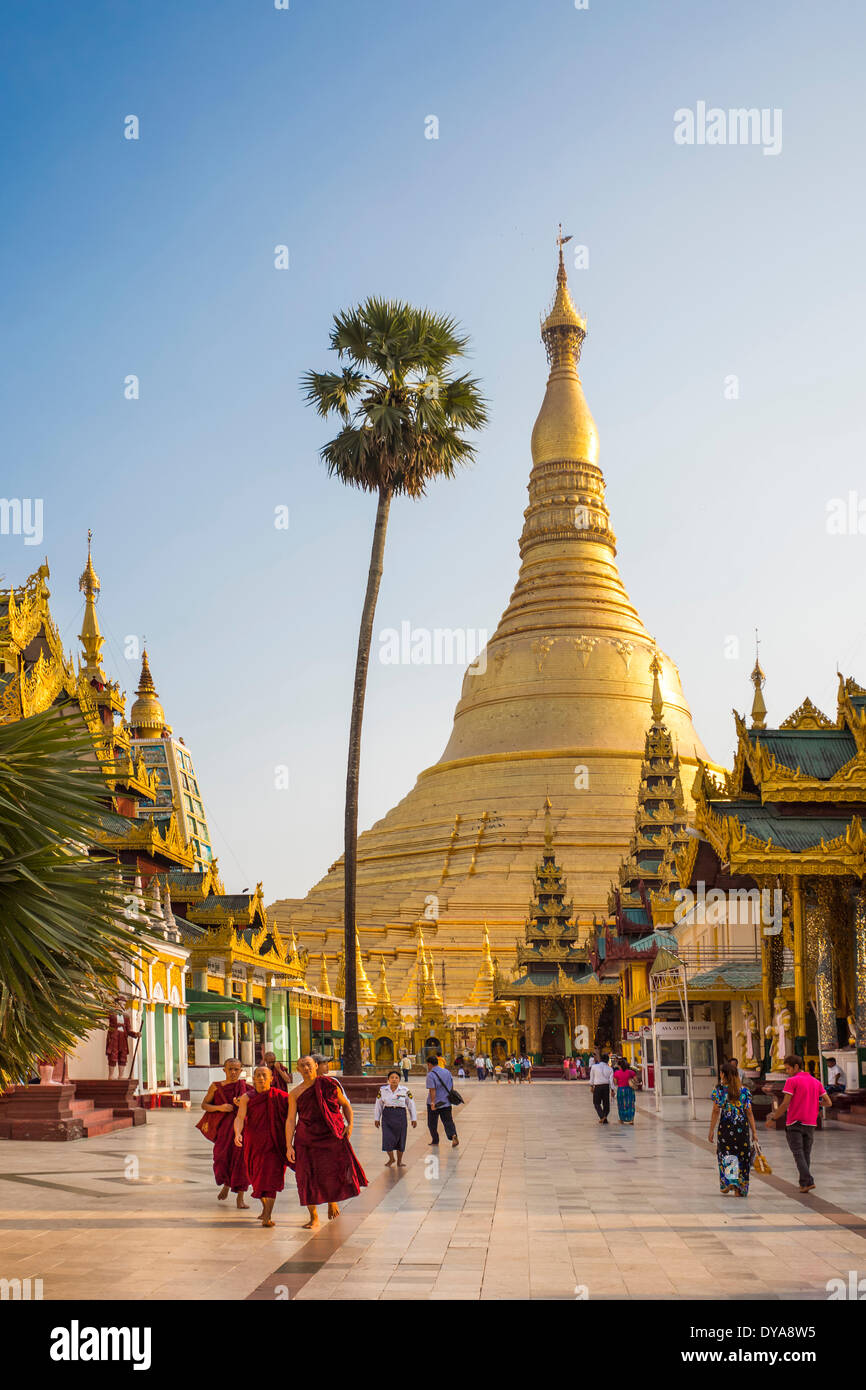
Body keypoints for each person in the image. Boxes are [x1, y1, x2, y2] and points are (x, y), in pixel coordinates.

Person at [286, 1054, 368, 1228]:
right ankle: (314, 1217)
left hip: (331, 1135)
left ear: (316, 1066)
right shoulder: (294, 1093)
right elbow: (291, 1120)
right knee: (305, 1176)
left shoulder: (329, 1084)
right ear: (298, 1070)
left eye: (308, 1064)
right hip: (306, 1139)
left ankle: (332, 1200)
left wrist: (350, 1125)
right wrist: (288, 1145)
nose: (306, 1068)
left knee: (332, 1171)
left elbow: (345, 1105)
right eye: (302, 1066)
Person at [233, 1065, 290, 1227]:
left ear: (272, 1079)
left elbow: (293, 1116)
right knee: (256, 1179)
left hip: (274, 1144)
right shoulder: (247, 1097)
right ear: (253, 1078)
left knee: (270, 1179)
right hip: (254, 1144)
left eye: (264, 1075)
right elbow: (239, 1117)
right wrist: (237, 1133)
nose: (261, 1078)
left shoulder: (281, 1097)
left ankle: (268, 1215)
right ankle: (265, 1209)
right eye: (257, 1075)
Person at [769, 1053, 832, 1193]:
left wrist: (774, 1118)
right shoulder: (816, 1082)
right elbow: (828, 1102)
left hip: (795, 1122)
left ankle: (808, 1180)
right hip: (810, 1122)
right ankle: (804, 1183)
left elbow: (785, 1104)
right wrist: (814, 1103)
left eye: (788, 1069)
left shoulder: (792, 1081)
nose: (787, 1072)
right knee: (805, 1153)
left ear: (796, 1067)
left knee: (798, 1153)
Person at [199, 1057, 252, 1208]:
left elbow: (253, 1107)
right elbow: (204, 1105)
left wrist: (241, 1103)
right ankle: (226, 1185)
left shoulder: (246, 1088)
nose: (233, 1072)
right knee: (222, 1158)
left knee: (241, 1162)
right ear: (224, 1070)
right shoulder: (215, 1087)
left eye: (236, 1069)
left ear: (241, 1071)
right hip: (223, 1129)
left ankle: (240, 1198)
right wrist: (220, 1107)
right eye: (230, 1069)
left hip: (241, 1129)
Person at [709, 1060, 758, 1197]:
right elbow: (749, 1112)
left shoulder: (719, 1090)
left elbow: (715, 1111)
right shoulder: (744, 1091)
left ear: (723, 1074)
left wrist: (711, 1130)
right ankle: (740, 1189)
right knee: (742, 1156)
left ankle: (730, 1180)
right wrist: (754, 1132)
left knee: (727, 1154)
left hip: (726, 1128)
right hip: (742, 1128)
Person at [374, 1069, 418, 1166]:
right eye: (392, 1078)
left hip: (400, 1115)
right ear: (388, 1079)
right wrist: (377, 1118)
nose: (394, 1079)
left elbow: (411, 1104)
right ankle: (391, 1158)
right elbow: (378, 1105)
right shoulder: (383, 1090)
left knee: (401, 1138)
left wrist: (413, 1118)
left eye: (396, 1078)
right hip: (387, 1116)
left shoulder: (405, 1091)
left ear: (399, 1080)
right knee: (387, 1138)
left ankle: (399, 1161)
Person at [425, 1055, 459, 1147]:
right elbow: (451, 1085)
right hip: (446, 1102)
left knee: (432, 1123)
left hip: (435, 1103)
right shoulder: (447, 1072)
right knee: (448, 1121)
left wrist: (432, 1102)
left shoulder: (431, 1074)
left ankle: (435, 1140)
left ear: (429, 1064)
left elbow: (432, 1089)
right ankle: (453, 1135)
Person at [589, 1053, 614, 1123]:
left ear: (600, 1059)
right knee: (606, 1103)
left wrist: (591, 1085)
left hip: (598, 1086)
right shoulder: (610, 1068)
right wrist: (612, 1089)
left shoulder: (594, 1067)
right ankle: (604, 1117)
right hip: (606, 1086)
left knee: (596, 1103)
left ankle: (602, 1116)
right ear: (607, 1060)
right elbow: (611, 1080)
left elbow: (592, 1077)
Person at [612, 1058, 637, 1125]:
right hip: (629, 1090)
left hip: (621, 1090)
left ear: (619, 1066)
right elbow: (636, 1080)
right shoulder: (631, 1072)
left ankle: (622, 1119)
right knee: (630, 1104)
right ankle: (631, 1120)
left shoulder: (616, 1073)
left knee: (621, 1104)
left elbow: (615, 1083)